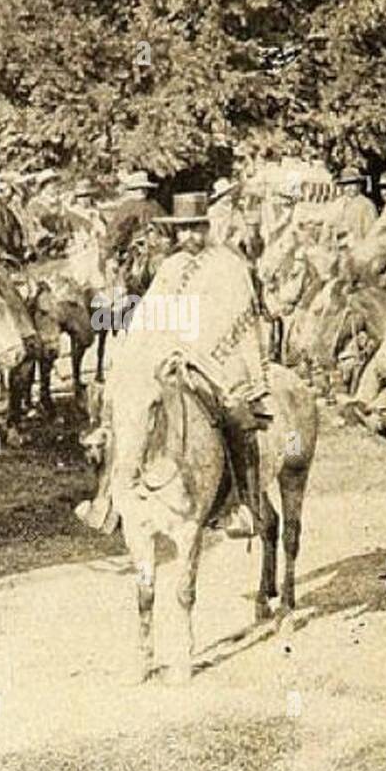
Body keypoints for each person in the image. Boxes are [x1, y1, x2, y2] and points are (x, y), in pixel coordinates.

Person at [107, 191, 273, 538]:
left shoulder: (228, 265)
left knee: (233, 415)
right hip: (171, 356)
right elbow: (150, 313)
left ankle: (243, 502)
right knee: (129, 405)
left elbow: (240, 318)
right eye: (181, 231)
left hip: (218, 360)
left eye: (194, 229)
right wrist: (133, 352)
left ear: (206, 227)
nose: (188, 238)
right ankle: (113, 494)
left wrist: (204, 353)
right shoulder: (171, 266)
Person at [326, 167, 379, 250]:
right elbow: (328, 225)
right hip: (337, 250)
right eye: (346, 185)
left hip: (357, 250)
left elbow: (371, 233)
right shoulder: (337, 203)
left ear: (359, 186)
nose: (349, 188)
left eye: (353, 184)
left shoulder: (366, 205)